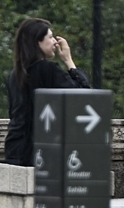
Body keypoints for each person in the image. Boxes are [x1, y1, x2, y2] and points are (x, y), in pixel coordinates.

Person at [5, 18, 90, 166]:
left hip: (15, 149)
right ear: (37, 42)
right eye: (50, 37)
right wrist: (69, 62)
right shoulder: (47, 70)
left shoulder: (15, 75)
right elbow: (84, 97)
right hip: (39, 153)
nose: (55, 42)